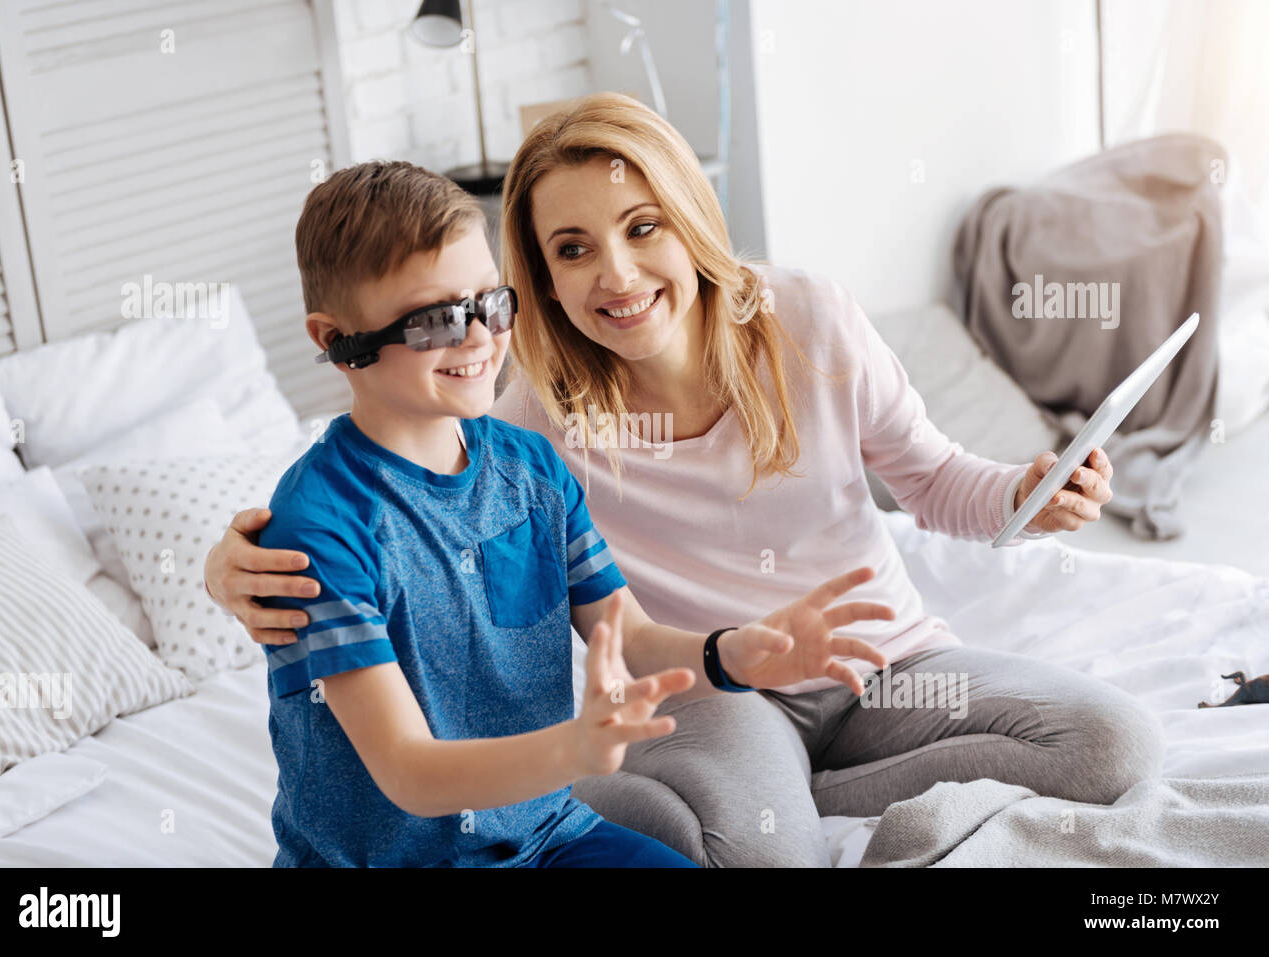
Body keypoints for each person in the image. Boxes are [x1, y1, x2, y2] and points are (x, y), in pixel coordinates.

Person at [206, 94, 1164, 867]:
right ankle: (739, 797)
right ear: (540, 277)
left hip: (875, 662)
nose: (615, 276)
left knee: (1108, 744)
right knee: (761, 854)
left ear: (689, 218)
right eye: (571, 249)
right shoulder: (536, 410)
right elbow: (401, 477)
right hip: (713, 691)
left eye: (641, 226)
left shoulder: (809, 321)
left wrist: (1028, 496)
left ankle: (786, 791)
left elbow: (934, 479)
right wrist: (227, 565)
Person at [248, 158, 897, 868]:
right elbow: (407, 770)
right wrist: (575, 749)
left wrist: (735, 651)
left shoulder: (531, 469)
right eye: (435, 320)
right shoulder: (318, 526)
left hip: (544, 834)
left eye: (490, 305)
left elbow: (632, 636)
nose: (476, 340)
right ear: (334, 340)